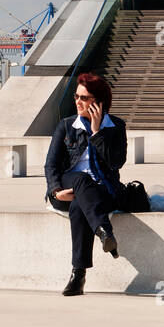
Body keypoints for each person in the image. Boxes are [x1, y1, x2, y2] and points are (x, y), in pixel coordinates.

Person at [45, 72, 128, 297]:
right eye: (77, 96)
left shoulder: (116, 126)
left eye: (84, 97)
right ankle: (103, 231)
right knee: (81, 179)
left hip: (101, 190)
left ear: (98, 102)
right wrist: (55, 190)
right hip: (67, 186)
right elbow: (51, 165)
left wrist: (96, 132)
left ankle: (78, 275)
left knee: (79, 206)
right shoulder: (66, 126)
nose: (78, 101)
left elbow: (117, 161)